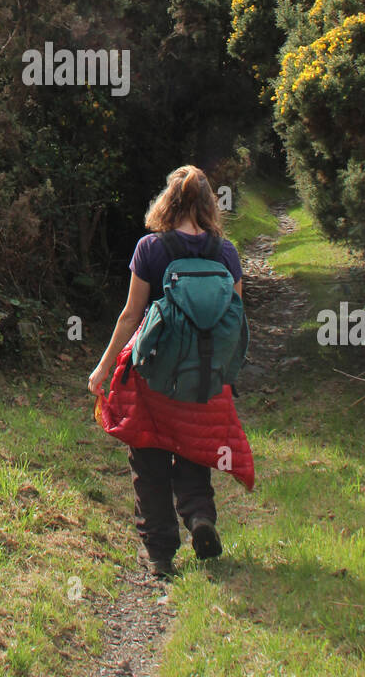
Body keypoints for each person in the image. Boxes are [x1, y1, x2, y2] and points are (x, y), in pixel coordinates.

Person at [88, 164, 254, 579]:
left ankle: (161, 554)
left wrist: (104, 368)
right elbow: (233, 318)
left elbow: (130, 317)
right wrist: (223, 373)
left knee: (149, 458)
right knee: (194, 448)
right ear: (208, 204)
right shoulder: (226, 252)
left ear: (170, 200)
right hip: (204, 379)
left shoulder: (151, 249)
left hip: (155, 373)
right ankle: (200, 516)